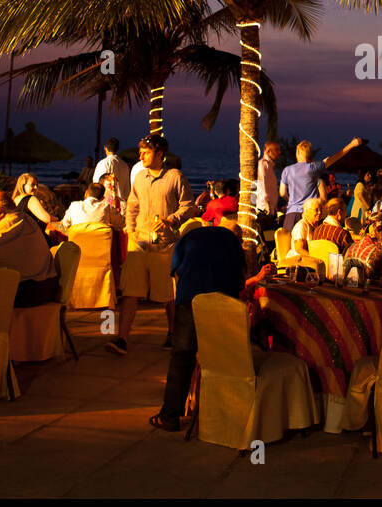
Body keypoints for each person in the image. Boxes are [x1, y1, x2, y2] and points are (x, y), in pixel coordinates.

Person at [148, 222, 247, 431]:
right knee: (224, 355)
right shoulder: (231, 242)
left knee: (182, 357)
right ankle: (225, 414)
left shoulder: (187, 239)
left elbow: (175, 274)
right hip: (225, 303)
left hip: (190, 302)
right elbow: (241, 280)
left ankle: (170, 416)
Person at [112, 133, 194, 354]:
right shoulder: (139, 177)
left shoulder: (175, 177)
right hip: (139, 243)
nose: (141, 155)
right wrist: (130, 231)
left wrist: (171, 219)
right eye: (141, 151)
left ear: (160, 154)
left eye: (146, 152)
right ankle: (122, 340)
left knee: (167, 295)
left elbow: (189, 206)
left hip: (165, 245)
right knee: (130, 292)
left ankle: (173, 333)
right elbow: (132, 205)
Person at [279, 137, 363, 232]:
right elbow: (334, 158)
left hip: (292, 214)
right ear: (309, 153)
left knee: (286, 243)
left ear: (297, 152)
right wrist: (351, 145)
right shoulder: (313, 168)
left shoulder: (287, 170)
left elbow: (282, 193)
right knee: (312, 245)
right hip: (310, 214)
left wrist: (291, 201)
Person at [57, 182, 123, 233]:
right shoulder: (107, 207)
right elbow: (122, 223)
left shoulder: (74, 206)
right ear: (103, 198)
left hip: (77, 248)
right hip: (101, 248)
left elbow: (64, 226)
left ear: (86, 193)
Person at [12, 172, 54, 239]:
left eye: (37, 185)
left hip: (19, 236)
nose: (36, 187)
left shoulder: (15, 199)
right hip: (34, 238)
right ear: (23, 185)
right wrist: (57, 219)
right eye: (32, 185)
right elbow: (47, 219)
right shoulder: (30, 199)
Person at [92, 137, 131, 203]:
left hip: (107, 204)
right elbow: (127, 190)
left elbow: (96, 185)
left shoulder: (103, 163)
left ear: (105, 148)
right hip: (122, 204)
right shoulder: (125, 165)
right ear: (117, 149)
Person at [255, 140, 281, 233]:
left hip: (270, 208)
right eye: (277, 150)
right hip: (265, 209)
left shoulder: (268, 165)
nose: (279, 152)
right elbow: (261, 184)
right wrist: (266, 203)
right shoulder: (263, 164)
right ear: (268, 151)